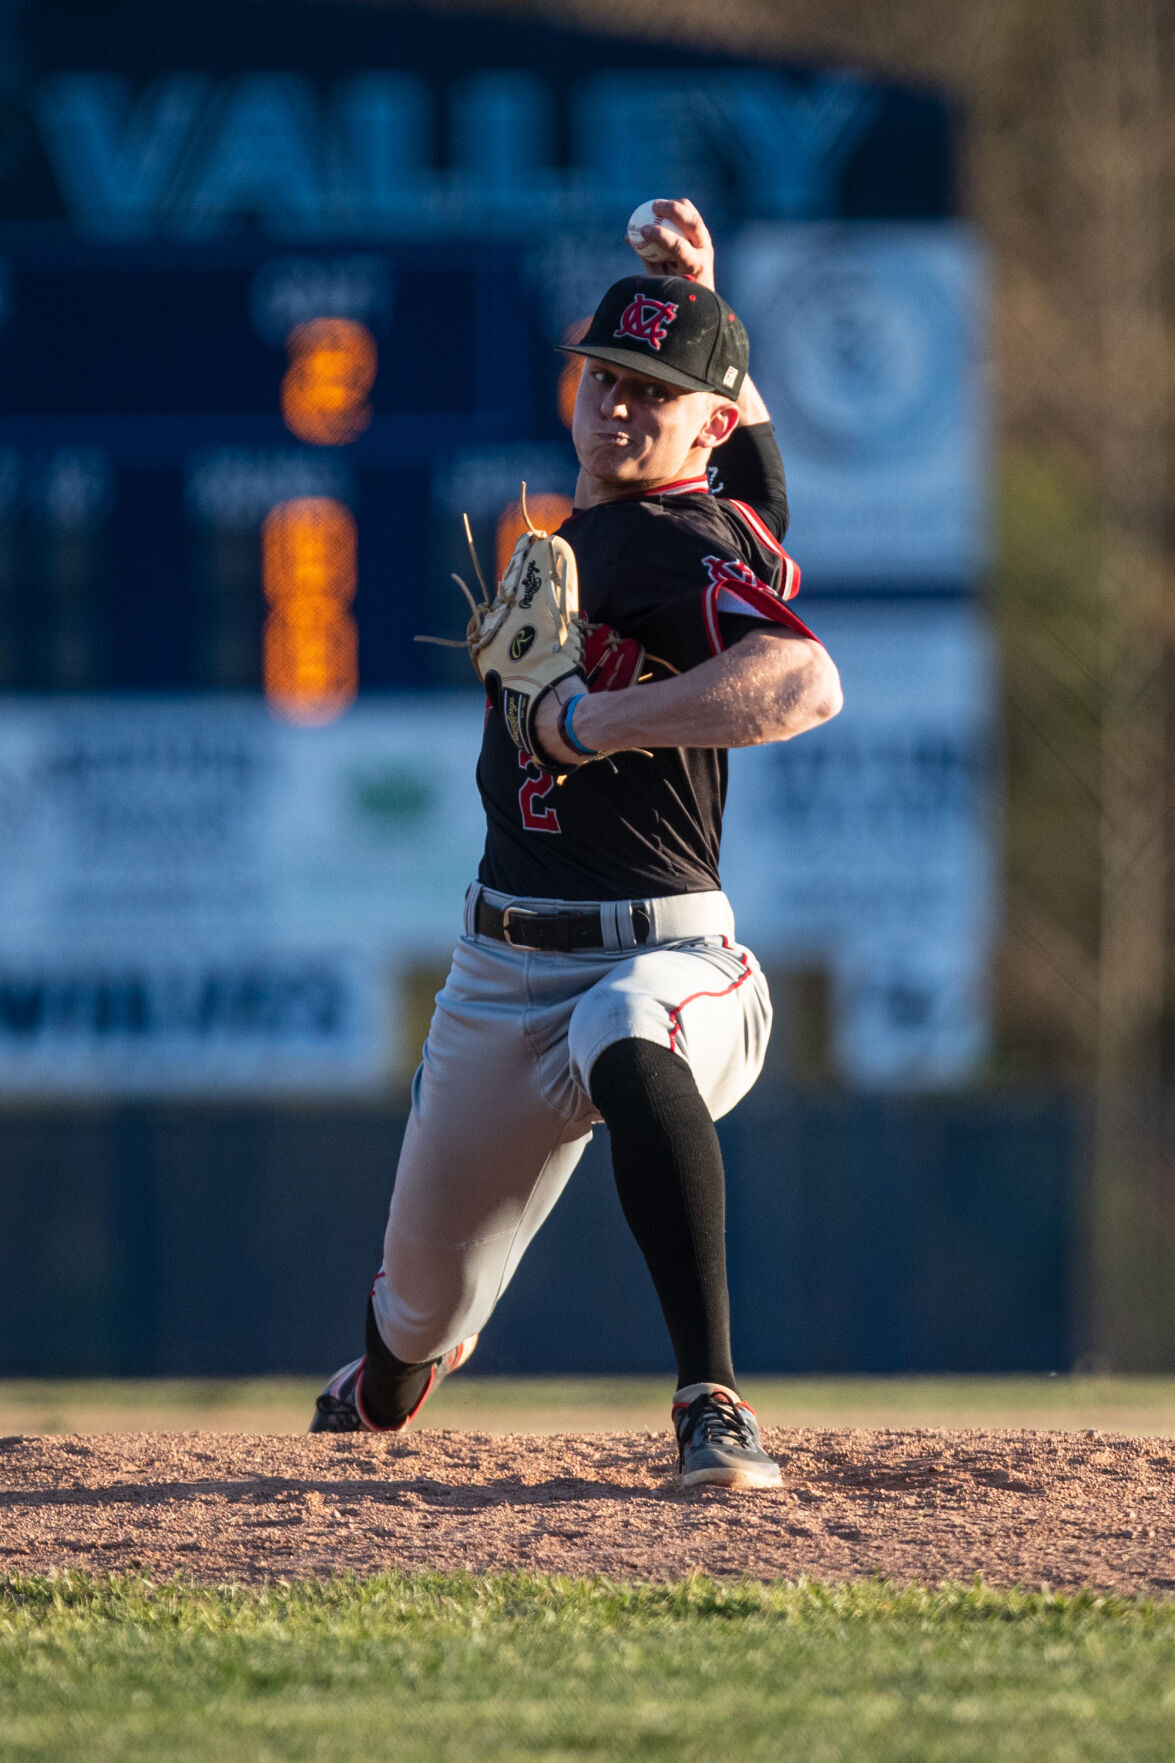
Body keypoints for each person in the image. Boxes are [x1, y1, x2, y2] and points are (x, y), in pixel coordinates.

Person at [310, 200, 843, 1489]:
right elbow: (759, 478)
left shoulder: (682, 541)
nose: (618, 404)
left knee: (628, 1027)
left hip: (673, 958)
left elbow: (805, 681)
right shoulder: (657, 516)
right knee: (407, 1331)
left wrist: (588, 722)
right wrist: (703, 303)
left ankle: (713, 1402)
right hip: (501, 973)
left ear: (705, 425)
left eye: (655, 390)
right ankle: (395, 1370)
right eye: (606, 375)